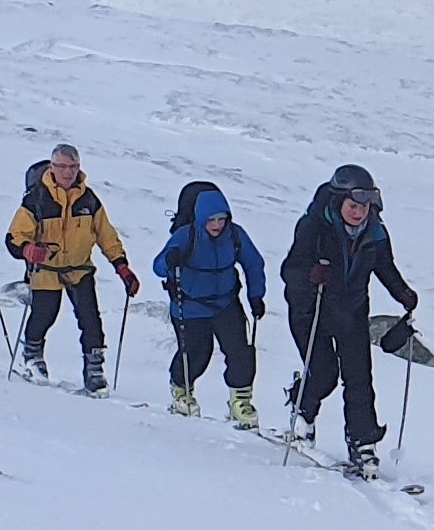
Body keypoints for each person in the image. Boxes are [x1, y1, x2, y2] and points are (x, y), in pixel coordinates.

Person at [279, 164, 418, 475]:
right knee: (324, 373)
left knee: (359, 377)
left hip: (351, 310)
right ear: (338, 202)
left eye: (364, 206)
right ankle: (303, 409)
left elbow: (385, 267)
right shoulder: (313, 227)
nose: (358, 212)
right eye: (353, 206)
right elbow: (289, 270)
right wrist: (310, 277)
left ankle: (362, 441)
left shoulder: (376, 233)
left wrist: (403, 293)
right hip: (309, 309)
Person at [5, 143, 137, 391]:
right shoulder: (36, 199)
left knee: (91, 320)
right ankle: (32, 356)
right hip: (45, 271)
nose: (68, 172)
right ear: (52, 167)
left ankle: (94, 370)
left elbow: (106, 236)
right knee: (45, 314)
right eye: (63, 167)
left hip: (79, 269)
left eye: (73, 167)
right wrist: (27, 250)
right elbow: (14, 236)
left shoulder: (89, 199)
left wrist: (122, 267)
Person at [155, 186, 267, 425]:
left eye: (221, 219)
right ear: (200, 218)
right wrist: (170, 260)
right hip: (191, 306)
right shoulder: (186, 236)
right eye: (211, 220)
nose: (217, 225)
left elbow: (254, 264)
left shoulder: (235, 236)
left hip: (226, 304)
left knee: (240, 352)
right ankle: (181, 390)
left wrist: (256, 296)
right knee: (196, 353)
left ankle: (240, 400)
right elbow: (158, 266)